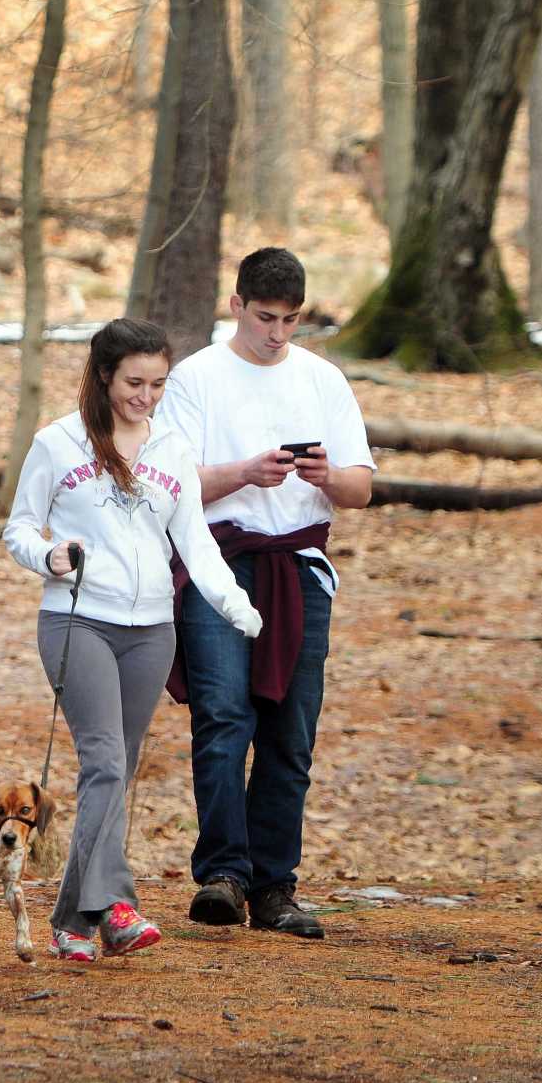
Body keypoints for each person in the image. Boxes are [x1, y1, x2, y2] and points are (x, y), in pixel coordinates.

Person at [3, 318, 263, 963]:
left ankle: (76, 921)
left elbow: (194, 541)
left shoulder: (171, 448)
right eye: (133, 383)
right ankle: (118, 907)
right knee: (106, 763)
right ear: (103, 377)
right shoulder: (58, 444)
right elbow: (18, 529)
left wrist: (233, 602)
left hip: (151, 629)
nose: (145, 396)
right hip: (77, 618)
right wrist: (48, 556)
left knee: (113, 774)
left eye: (157, 383)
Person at [158, 248, 374, 938]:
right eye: (264, 318)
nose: (276, 334)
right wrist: (246, 473)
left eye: (288, 321)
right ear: (236, 307)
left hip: (299, 563)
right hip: (220, 558)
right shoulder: (196, 379)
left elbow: (361, 488)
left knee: (291, 730)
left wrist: (324, 476)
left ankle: (276, 886)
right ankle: (224, 873)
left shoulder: (323, 380)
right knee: (223, 716)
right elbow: (175, 482)